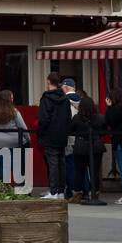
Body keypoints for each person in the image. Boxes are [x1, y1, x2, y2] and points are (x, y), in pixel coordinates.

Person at [36, 72, 71, 200]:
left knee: (53, 163)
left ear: (48, 81)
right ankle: (61, 190)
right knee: (61, 162)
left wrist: (41, 132)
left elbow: (43, 119)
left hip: (49, 134)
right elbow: (68, 118)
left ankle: (54, 190)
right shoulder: (65, 99)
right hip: (62, 135)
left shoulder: (46, 99)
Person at [69, 88, 107, 204]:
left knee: (79, 171)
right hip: (96, 145)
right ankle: (94, 193)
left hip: (80, 146)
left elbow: (71, 130)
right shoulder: (100, 118)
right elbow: (104, 132)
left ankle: (77, 194)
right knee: (94, 171)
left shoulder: (77, 118)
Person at [0, 90, 30, 184]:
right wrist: (28, 140)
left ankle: (2, 184)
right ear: (9, 99)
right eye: (12, 97)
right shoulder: (14, 112)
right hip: (13, 143)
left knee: (1, 164)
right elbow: (23, 128)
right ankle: (21, 183)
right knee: (19, 163)